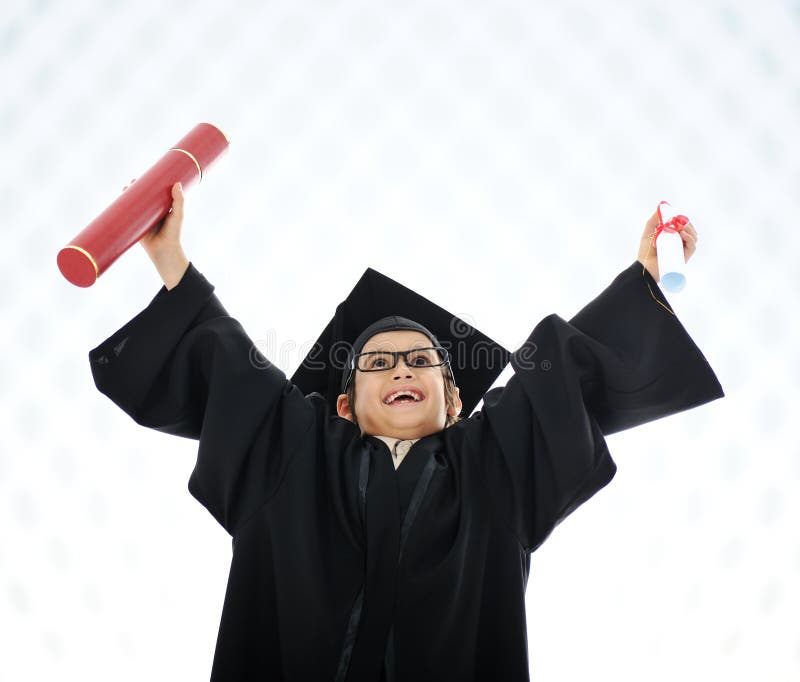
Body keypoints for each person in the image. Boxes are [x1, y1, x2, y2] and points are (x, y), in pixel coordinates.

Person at [89, 183, 723, 681]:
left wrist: (644, 278)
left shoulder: (493, 466)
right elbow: (228, 362)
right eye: (379, 362)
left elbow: (567, 373)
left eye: (422, 361)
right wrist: (170, 258)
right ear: (342, 403)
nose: (402, 369)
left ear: (454, 401)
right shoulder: (292, 452)